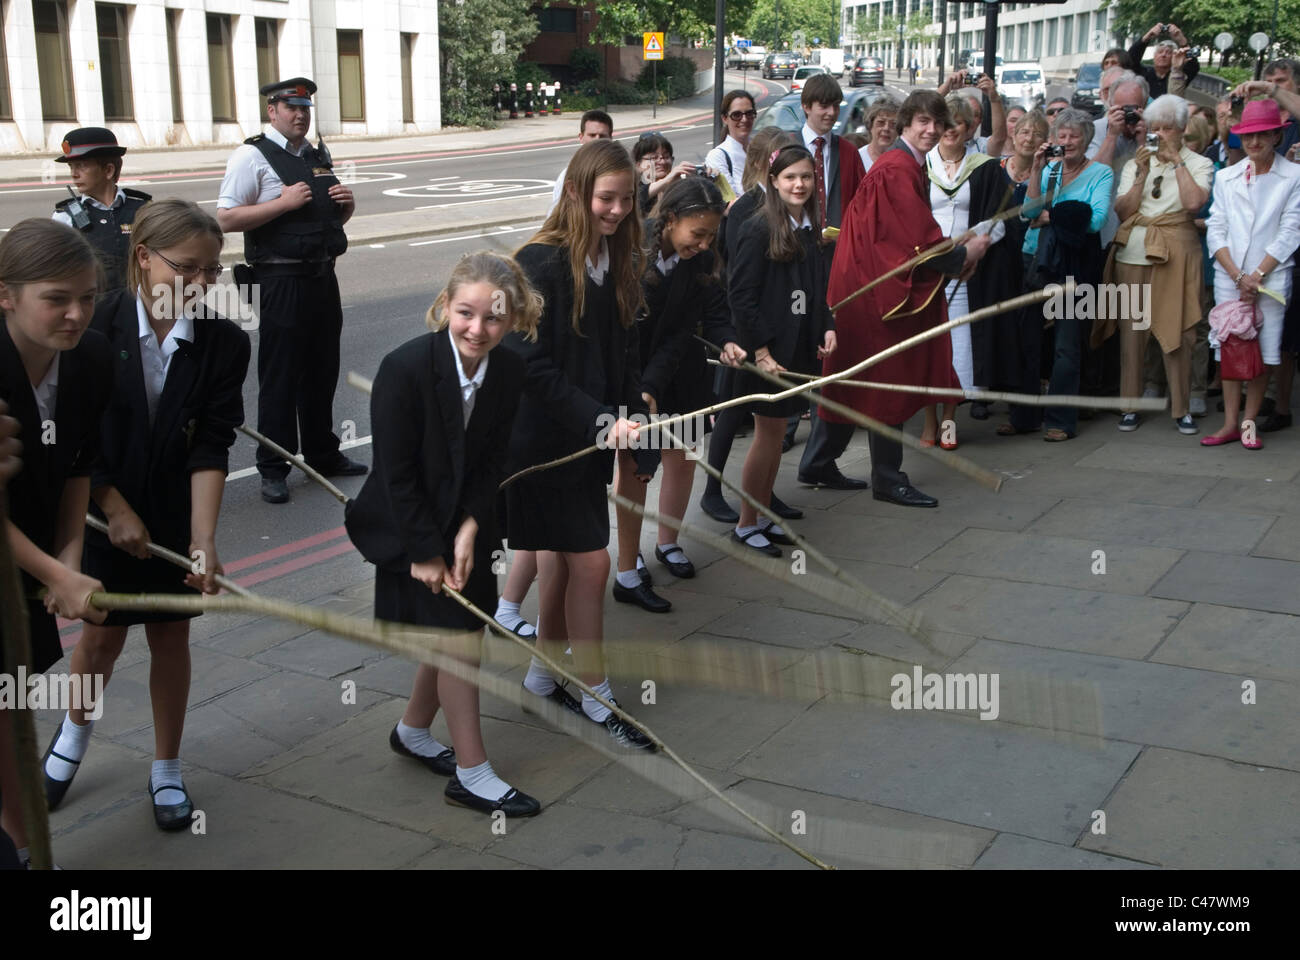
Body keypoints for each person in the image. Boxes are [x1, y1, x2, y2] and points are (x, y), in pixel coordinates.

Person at [42, 200, 250, 831]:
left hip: (169, 512)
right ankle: (73, 737)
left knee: (170, 635)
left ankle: (166, 768)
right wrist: (112, 504)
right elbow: (73, 439)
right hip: (98, 510)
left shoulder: (225, 342)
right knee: (100, 634)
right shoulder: (92, 330)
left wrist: (203, 538)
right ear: (143, 257)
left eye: (212, 271)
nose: (200, 283)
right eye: (186, 268)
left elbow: (213, 444)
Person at [346, 252, 543, 817]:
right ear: (444, 306)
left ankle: (412, 730)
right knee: (458, 639)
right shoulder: (404, 368)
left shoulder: (509, 370)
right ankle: (471, 772)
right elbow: (396, 474)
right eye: (466, 313)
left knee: (452, 630)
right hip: (407, 527)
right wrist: (428, 554)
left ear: (513, 319)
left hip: (465, 521)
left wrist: (472, 527)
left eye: (494, 319)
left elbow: (491, 460)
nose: (478, 330)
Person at [507, 139, 656, 749]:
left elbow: (618, 358)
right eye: (606, 199)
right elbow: (528, 366)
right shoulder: (541, 263)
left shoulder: (612, 262)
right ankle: (596, 693)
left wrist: (629, 429)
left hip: (585, 441)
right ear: (575, 193)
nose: (618, 211)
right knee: (590, 564)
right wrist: (601, 419)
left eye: (626, 200)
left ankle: (544, 677)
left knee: (570, 569)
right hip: (541, 446)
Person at [0, 219, 111, 868]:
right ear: (6, 295)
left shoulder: (90, 358)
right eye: (56, 298)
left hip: (32, 549)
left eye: (89, 297)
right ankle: (20, 846)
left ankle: (19, 842)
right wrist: (53, 570)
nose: (75, 315)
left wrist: (67, 560)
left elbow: (78, 465)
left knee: (16, 704)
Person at [819, 90, 992, 507]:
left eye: (938, 123)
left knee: (855, 379)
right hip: (874, 292)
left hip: (862, 286)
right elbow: (917, 242)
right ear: (905, 123)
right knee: (885, 384)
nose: (931, 131)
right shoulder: (897, 168)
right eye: (922, 122)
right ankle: (887, 478)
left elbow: (904, 236)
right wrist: (962, 253)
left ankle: (817, 463)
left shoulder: (898, 165)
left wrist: (952, 251)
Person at [216, 77, 363, 505]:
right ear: (272, 111)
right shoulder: (252, 155)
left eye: (305, 108)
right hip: (279, 280)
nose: (300, 114)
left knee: (322, 370)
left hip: (321, 276)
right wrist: (281, 204)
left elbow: (322, 220)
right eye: (290, 107)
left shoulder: (315, 154)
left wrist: (346, 208)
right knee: (280, 375)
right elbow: (225, 218)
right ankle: (274, 466)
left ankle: (322, 454)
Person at [612, 177, 743, 611]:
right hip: (633, 374)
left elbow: (711, 313)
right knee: (635, 469)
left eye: (711, 235)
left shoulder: (702, 260)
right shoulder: (632, 253)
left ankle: (667, 543)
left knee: (682, 456)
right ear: (669, 220)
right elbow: (626, 334)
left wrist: (727, 341)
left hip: (680, 371)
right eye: (697, 234)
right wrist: (644, 389)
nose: (705, 244)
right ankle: (627, 571)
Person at [728, 144, 835, 555]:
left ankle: (759, 515)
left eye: (806, 176)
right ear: (774, 181)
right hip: (769, 354)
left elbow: (817, 285)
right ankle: (745, 522)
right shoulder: (758, 227)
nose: (800, 184)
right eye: (791, 177)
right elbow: (741, 295)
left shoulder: (808, 224)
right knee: (767, 436)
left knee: (775, 439)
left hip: (797, 349)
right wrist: (760, 352)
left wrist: (826, 326)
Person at [700, 128, 803, 524]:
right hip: (743, 326)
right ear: (765, 164)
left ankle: (762, 493)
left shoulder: (782, 205)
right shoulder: (749, 208)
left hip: (765, 323)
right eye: (782, 161)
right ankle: (712, 490)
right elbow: (733, 272)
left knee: (766, 418)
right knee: (732, 409)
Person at [1097, 95, 1212, 436]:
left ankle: (1182, 408)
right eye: (1154, 128)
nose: (1160, 135)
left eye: (1167, 129)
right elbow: (1123, 212)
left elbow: (1194, 204)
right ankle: (1130, 406)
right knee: (1133, 332)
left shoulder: (1198, 162)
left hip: (1177, 250)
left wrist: (1177, 160)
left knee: (1180, 332)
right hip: (1134, 252)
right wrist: (1140, 174)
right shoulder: (1136, 162)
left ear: (1181, 130)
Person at [922, 94, 1019, 445]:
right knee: (928, 344)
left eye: (958, 123)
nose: (950, 130)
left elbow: (1000, 218)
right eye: (944, 123)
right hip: (928, 268)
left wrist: (972, 245)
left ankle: (949, 420)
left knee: (957, 346)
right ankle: (929, 421)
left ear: (968, 128)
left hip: (965, 269)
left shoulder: (986, 167)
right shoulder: (921, 165)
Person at [1202, 101, 1300, 449]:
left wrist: (1257, 274)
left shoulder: (1293, 176)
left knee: (1263, 352)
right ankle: (1229, 422)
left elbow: (1291, 230)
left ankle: (1248, 425)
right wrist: (1237, 274)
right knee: (1231, 349)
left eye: (1262, 134)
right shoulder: (1227, 176)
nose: (1254, 141)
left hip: (1271, 278)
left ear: (1277, 134)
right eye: (1248, 135)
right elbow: (1216, 227)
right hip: (1230, 276)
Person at [1021, 109, 1114, 442]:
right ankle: (1025, 416)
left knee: (1067, 346)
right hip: (1037, 262)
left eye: (1074, 136)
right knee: (1028, 340)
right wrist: (1035, 169)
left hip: (1075, 267)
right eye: (1062, 136)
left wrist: (1050, 216)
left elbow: (1095, 220)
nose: (1068, 142)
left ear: (1087, 139)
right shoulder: (1049, 169)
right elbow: (1027, 212)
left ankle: (1061, 419)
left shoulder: (1101, 173)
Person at [790, 74, 867, 457]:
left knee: (826, 336)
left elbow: (861, 201)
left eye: (835, 106)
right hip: (795, 257)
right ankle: (787, 420)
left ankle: (820, 429)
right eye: (823, 105)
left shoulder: (847, 151)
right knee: (794, 330)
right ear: (806, 106)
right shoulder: (788, 147)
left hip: (837, 259)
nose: (830, 113)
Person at [51, 127, 151, 294]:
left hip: (139, 308)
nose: (74, 174)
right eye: (71, 167)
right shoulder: (64, 218)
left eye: (81, 166)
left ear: (108, 170)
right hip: (96, 313)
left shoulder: (144, 210)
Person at [549, 110, 614, 213]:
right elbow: (555, 214)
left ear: (611, 138)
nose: (597, 140)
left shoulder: (620, 172)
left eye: (602, 136)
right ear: (581, 137)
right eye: (592, 135)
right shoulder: (567, 175)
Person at [938, 71, 1007, 157]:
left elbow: (999, 138)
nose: (969, 120)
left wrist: (994, 98)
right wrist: (946, 87)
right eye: (960, 118)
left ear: (980, 120)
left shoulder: (982, 147)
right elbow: (924, 112)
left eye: (975, 115)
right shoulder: (934, 143)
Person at [706, 90, 757, 197]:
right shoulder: (717, 156)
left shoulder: (761, 150)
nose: (744, 119)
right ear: (725, 118)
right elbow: (730, 202)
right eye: (736, 115)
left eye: (749, 113)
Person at [1128, 24, 1199, 99]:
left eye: (1168, 53)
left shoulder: (1179, 75)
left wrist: (1182, 41)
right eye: (1160, 52)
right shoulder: (1144, 73)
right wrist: (1146, 38)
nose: (1163, 55)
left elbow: (1193, 65)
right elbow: (1130, 60)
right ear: (1154, 56)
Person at [632, 133, 696, 215]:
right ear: (638, 164)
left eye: (666, 157)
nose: (662, 162)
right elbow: (638, 197)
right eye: (654, 158)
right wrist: (667, 180)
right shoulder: (632, 187)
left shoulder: (678, 185)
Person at [859, 97, 900, 172]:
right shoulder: (857, 158)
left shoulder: (903, 161)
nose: (886, 128)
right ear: (870, 125)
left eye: (893, 124)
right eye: (881, 122)